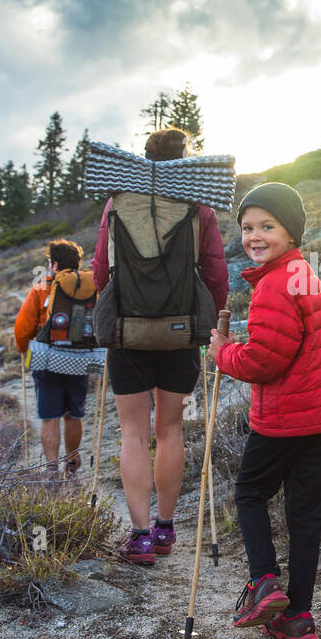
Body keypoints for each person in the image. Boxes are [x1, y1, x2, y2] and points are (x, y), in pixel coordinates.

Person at [207, 182, 321, 639]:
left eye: (267, 226)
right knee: (305, 518)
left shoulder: (273, 284)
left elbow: (264, 361)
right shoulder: (305, 276)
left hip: (284, 420)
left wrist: (224, 353)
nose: (254, 236)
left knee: (250, 493)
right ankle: (298, 619)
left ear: (291, 232)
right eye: (247, 227)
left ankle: (264, 583)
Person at [92, 126, 229, 564]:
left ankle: (140, 537)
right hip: (181, 333)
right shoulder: (198, 206)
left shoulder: (116, 203)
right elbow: (215, 274)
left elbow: (100, 272)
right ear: (185, 160)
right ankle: (166, 529)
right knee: (169, 431)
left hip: (127, 334)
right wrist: (208, 323)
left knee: (132, 434)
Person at [14, 240, 90, 478]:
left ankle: (51, 469)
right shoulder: (89, 286)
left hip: (47, 359)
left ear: (55, 264)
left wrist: (23, 348)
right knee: (73, 414)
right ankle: (71, 460)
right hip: (79, 357)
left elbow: (22, 327)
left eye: (49, 263)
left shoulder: (41, 288)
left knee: (50, 416)